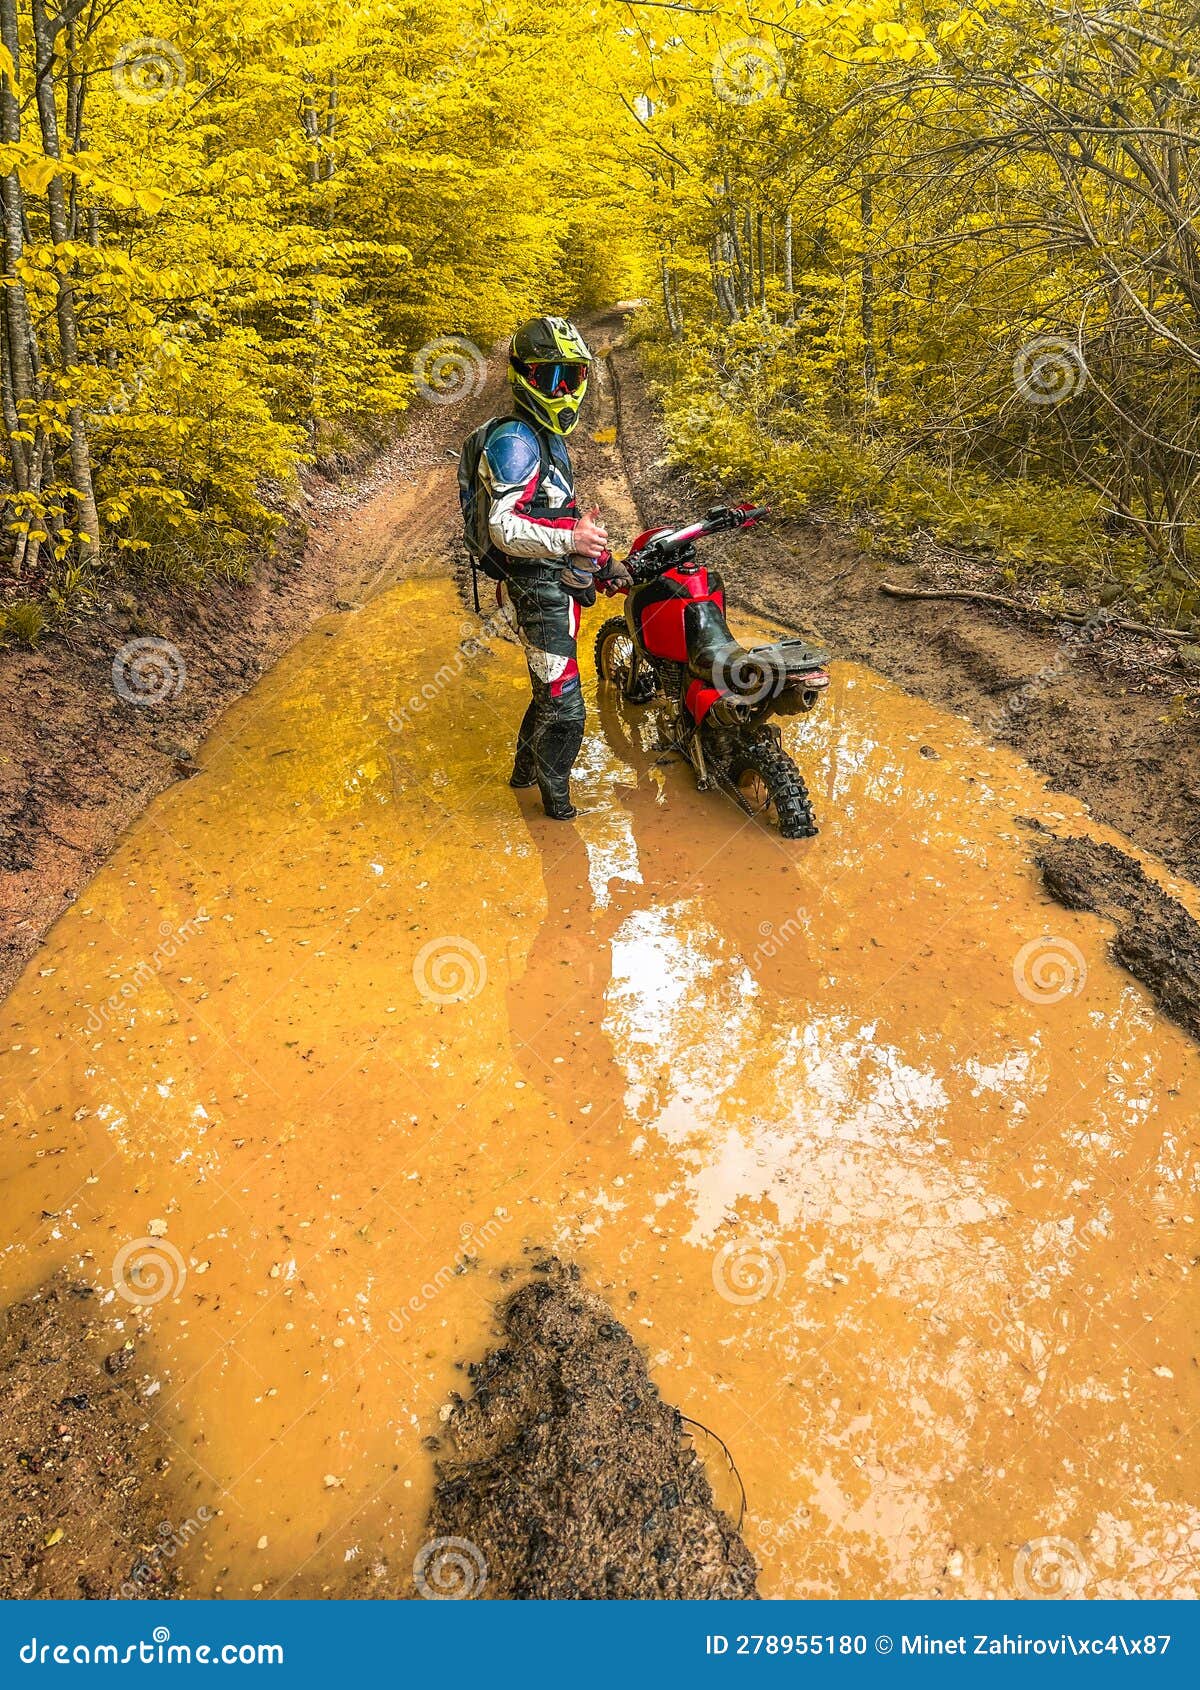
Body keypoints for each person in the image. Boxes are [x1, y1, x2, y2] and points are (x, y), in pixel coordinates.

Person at [480, 315, 629, 820]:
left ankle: (522, 780)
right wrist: (572, 539)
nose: (563, 390)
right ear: (522, 374)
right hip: (536, 589)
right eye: (550, 377)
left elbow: (557, 512)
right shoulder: (516, 441)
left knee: (548, 691)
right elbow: (503, 526)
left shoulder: (546, 436)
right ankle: (556, 818)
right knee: (566, 709)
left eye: (574, 377)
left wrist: (603, 560)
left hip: (553, 583)